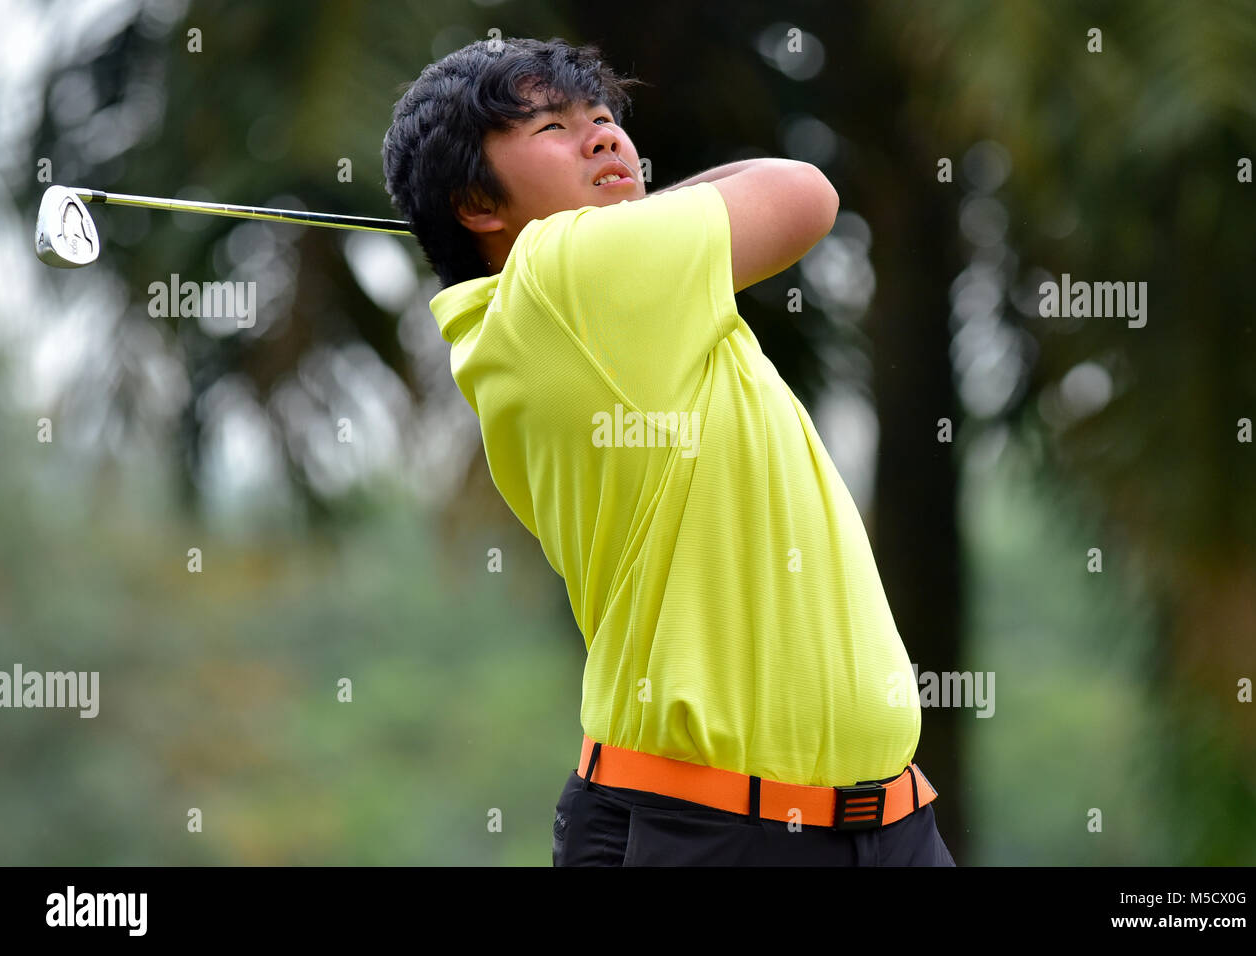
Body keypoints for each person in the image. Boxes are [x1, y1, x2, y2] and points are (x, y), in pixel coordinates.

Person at [382, 36, 955, 866]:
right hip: (709, 830)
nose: (606, 139)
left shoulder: (601, 299)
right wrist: (632, 212)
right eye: (552, 129)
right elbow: (803, 191)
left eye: (604, 118)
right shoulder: (566, 276)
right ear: (475, 202)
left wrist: (622, 205)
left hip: (886, 825)